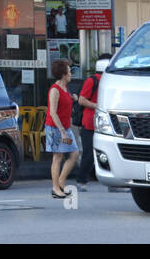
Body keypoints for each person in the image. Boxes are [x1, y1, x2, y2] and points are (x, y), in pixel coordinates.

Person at [46, 58, 79, 199]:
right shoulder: (55, 90)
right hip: (56, 128)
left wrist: (73, 99)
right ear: (63, 74)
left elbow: (64, 104)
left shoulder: (65, 88)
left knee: (74, 154)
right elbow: (53, 112)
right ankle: (55, 188)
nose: (71, 74)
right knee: (57, 157)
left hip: (65, 127)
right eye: (69, 71)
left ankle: (61, 182)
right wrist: (62, 132)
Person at [75, 56, 110, 186]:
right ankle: (81, 180)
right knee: (89, 153)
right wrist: (98, 106)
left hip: (104, 122)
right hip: (90, 122)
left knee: (104, 152)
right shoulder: (93, 80)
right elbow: (81, 100)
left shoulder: (108, 80)